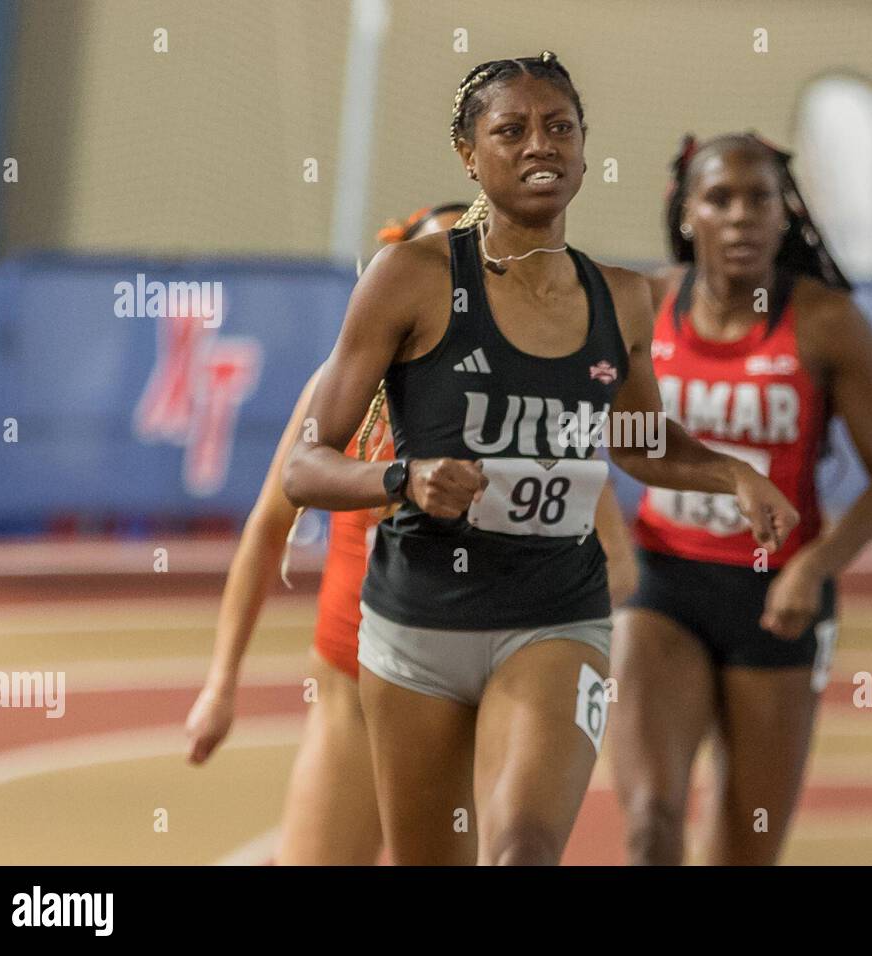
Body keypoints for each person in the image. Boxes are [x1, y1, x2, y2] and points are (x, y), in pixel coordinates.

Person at [280, 53, 800, 866]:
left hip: (554, 610)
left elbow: (642, 443)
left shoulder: (621, 297)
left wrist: (732, 471)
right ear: (468, 153)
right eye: (511, 130)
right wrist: (402, 478)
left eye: (559, 127)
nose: (539, 146)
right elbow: (302, 468)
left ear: (586, 149)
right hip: (417, 621)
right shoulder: (410, 278)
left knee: (523, 846)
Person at [185, 203, 635, 864]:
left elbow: (617, 565)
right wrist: (220, 686)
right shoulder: (340, 394)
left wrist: (547, 644)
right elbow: (268, 527)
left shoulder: (535, 407)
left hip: (475, 677)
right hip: (352, 693)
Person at [609, 132, 872, 865]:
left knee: (744, 851)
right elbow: (616, 441)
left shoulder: (828, 324)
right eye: (719, 199)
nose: (741, 216)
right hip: (664, 586)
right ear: (687, 215)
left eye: (759, 199)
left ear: (787, 215)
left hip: (778, 600)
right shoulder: (644, 307)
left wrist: (814, 568)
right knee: (650, 824)